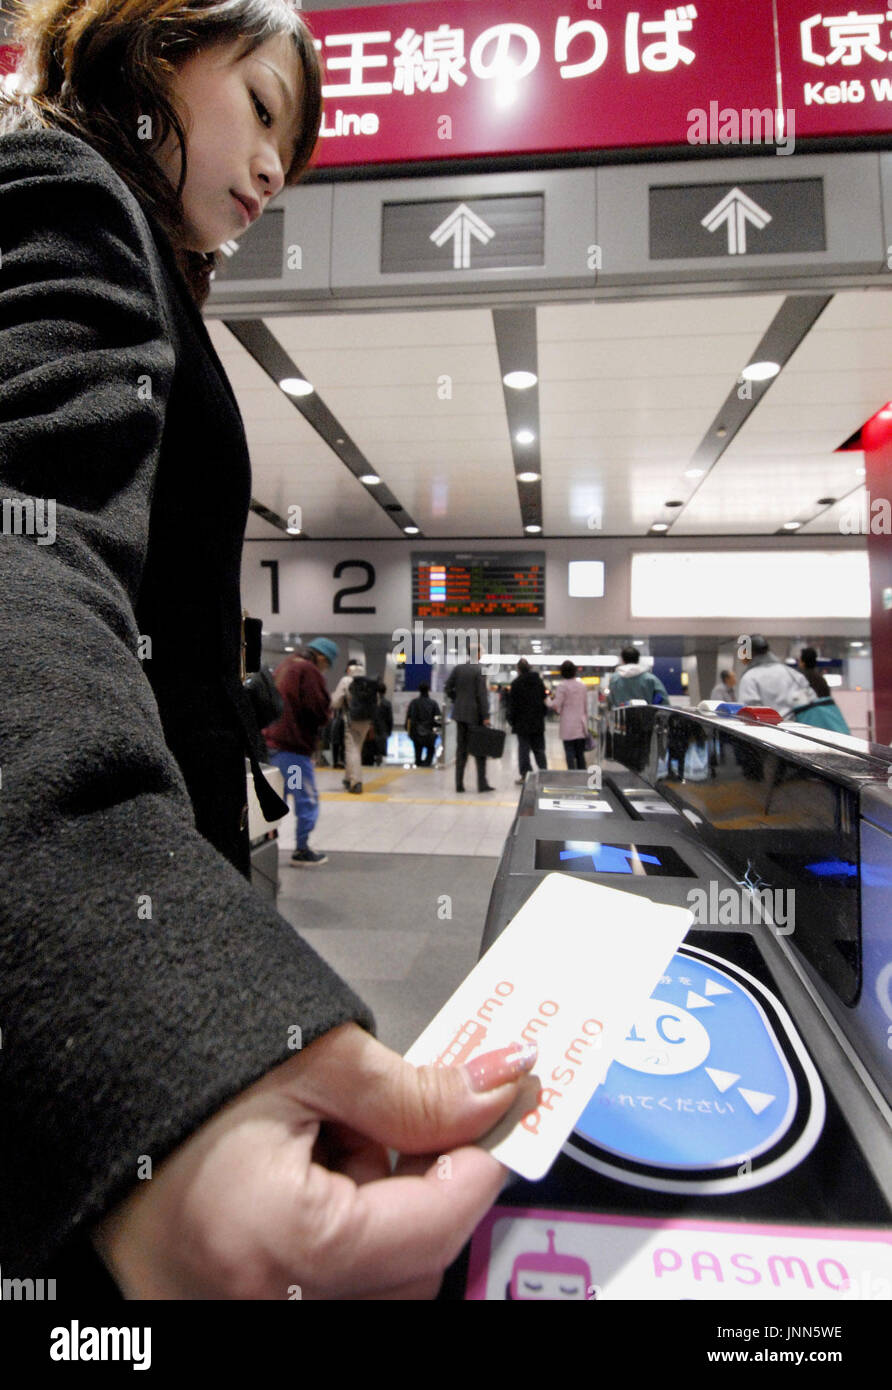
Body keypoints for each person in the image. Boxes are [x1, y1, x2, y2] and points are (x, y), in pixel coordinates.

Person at [0, 0, 539, 1299]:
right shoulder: (59, 188)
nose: (268, 175)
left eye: (291, 157)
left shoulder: (127, 242)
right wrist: (154, 1031)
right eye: (260, 110)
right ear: (158, 43)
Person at [264, 637, 336, 866]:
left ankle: (265, 850)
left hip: (272, 746)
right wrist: (327, 716)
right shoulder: (308, 669)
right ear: (321, 657)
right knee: (304, 798)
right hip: (292, 751)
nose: (325, 669)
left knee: (275, 800)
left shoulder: (287, 664)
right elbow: (317, 707)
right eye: (327, 664)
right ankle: (302, 849)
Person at [445, 645, 494, 793]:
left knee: (461, 750)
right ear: (477, 654)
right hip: (475, 715)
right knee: (480, 750)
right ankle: (482, 784)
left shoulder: (458, 668)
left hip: (460, 715)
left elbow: (448, 687)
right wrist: (485, 716)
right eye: (482, 652)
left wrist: (458, 700)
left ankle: (459, 785)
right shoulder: (480, 669)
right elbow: (482, 695)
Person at [737, 636, 816, 718]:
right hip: (798, 728)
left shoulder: (749, 677)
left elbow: (749, 715)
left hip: (767, 729)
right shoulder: (792, 674)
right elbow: (812, 702)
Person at [331, 657, 377, 794]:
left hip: (352, 719)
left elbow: (335, 703)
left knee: (352, 750)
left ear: (348, 669)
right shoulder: (368, 682)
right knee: (357, 748)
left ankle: (356, 782)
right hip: (367, 720)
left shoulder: (346, 680)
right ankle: (348, 778)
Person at [507, 658, 548, 783]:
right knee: (539, 749)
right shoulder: (538, 681)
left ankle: (525, 775)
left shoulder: (515, 684)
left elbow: (512, 705)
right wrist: (542, 714)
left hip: (521, 723)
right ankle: (544, 773)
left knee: (523, 749)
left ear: (518, 669)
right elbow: (544, 698)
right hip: (537, 722)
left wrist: (511, 720)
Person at [794, 647, 851, 734]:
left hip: (806, 722)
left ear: (802, 662)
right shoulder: (821, 680)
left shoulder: (799, 678)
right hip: (824, 723)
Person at [547, 660, 590, 770]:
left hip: (567, 725)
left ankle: (571, 774)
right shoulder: (582, 686)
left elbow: (556, 704)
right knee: (580, 753)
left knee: (569, 752)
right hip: (580, 724)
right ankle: (582, 774)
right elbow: (585, 707)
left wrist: (547, 701)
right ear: (575, 671)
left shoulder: (562, 686)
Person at [406, 681, 441, 767]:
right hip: (429, 733)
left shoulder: (414, 703)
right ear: (428, 690)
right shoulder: (433, 703)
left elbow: (409, 718)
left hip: (416, 732)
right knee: (430, 750)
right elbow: (438, 719)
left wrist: (409, 731)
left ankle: (418, 766)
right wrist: (436, 732)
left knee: (418, 753)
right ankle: (426, 764)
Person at [372, 680, 393, 765]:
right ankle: (378, 763)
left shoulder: (372, 702)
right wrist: (389, 731)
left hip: (372, 729)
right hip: (383, 729)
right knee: (380, 751)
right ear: (385, 691)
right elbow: (390, 718)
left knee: (371, 748)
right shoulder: (387, 703)